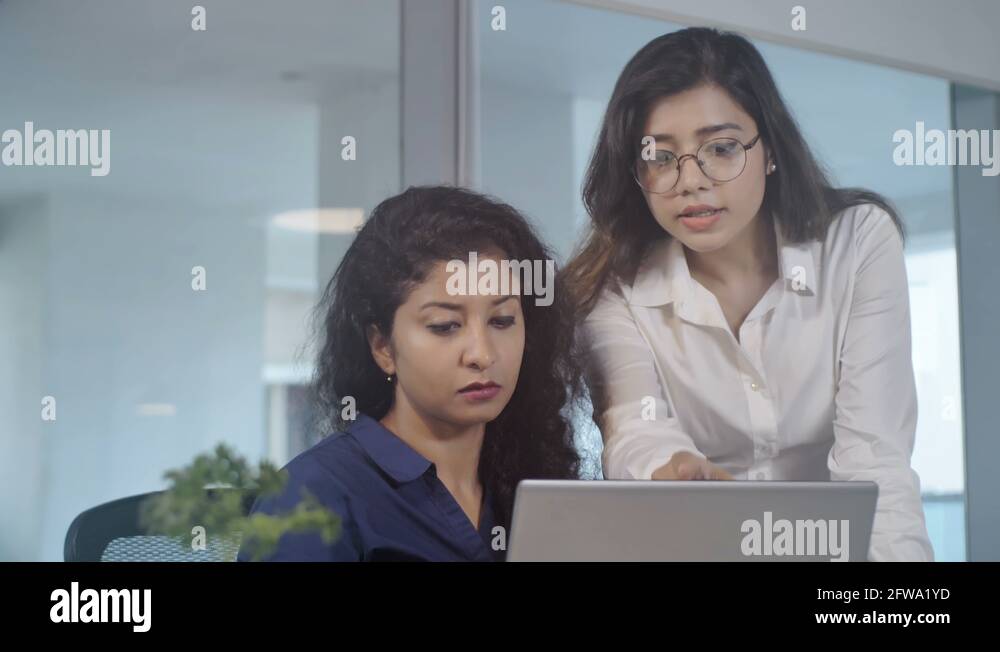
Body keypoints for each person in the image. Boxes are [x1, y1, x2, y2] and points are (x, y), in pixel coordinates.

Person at [563, 27, 933, 561]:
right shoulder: (615, 287)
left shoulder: (858, 243)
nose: (690, 180)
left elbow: (875, 460)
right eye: (661, 157)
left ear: (771, 151)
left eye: (720, 148)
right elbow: (636, 430)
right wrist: (673, 471)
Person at [238, 185, 583, 561]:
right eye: (445, 326)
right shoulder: (310, 498)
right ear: (383, 346)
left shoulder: (537, 480)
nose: (482, 355)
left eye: (502, 321)